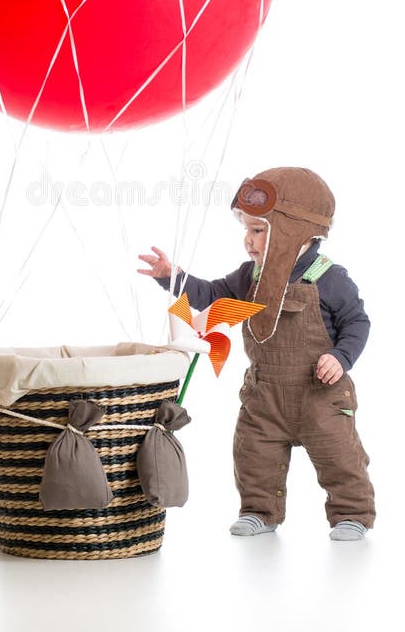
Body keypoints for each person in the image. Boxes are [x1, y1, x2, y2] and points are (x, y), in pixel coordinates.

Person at [138, 166, 375, 541]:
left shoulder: (328, 277)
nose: (248, 240)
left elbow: (357, 323)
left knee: (339, 456)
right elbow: (212, 294)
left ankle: (352, 513)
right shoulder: (250, 276)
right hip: (264, 392)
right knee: (253, 454)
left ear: (295, 231)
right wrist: (172, 277)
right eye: (245, 230)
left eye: (258, 230)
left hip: (320, 394)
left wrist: (341, 357)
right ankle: (258, 511)